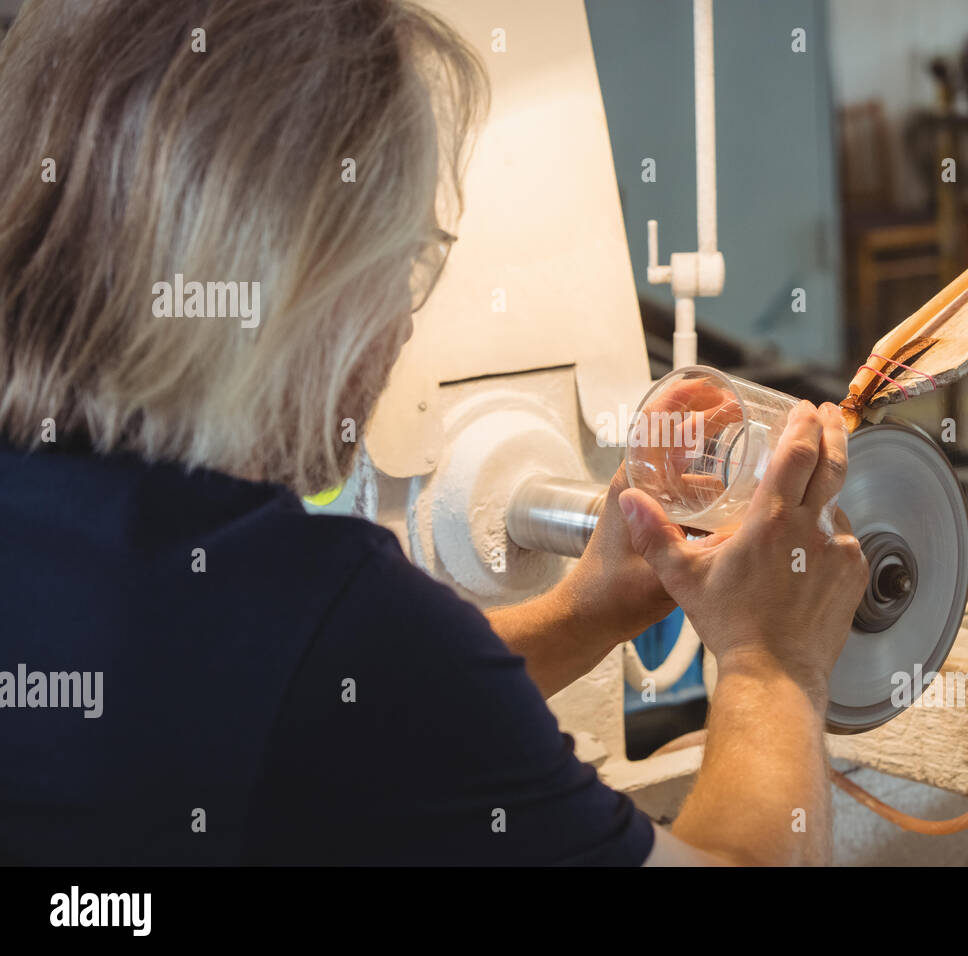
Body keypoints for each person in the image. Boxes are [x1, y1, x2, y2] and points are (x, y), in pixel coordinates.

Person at [0, 0, 869, 866]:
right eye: (406, 262)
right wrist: (773, 664)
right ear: (300, 276)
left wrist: (586, 608)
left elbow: (341, 710)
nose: (405, 327)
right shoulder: (332, 617)